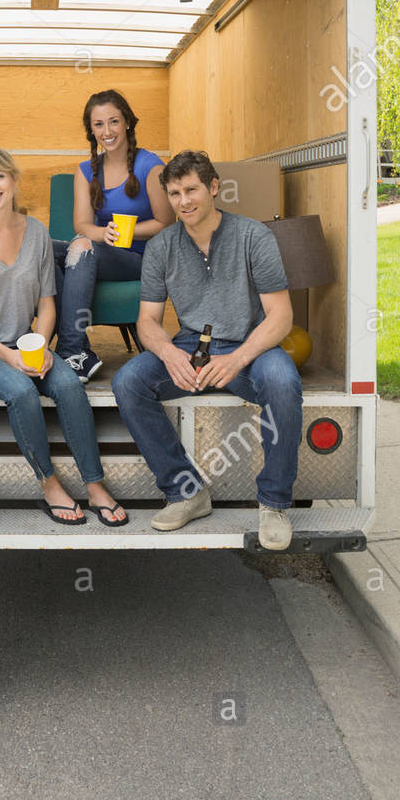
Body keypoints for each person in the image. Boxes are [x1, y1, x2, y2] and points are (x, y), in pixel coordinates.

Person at [111, 150, 301, 551]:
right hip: (189, 345)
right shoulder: (162, 247)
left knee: (283, 381)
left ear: (213, 188)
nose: (184, 201)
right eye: (176, 193)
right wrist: (167, 353)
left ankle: (274, 503)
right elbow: (147, 321)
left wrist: (238, 358)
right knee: (128, 381)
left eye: (192, 189)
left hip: (250, 345)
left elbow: (281, 317)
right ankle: (186, 492)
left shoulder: (253, 236)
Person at [0, 148, 129, 526]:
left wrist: (42, 347)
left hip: (24, 342)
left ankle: (95, 485)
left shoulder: (37, 233)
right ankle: (49, 483)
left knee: (68, 385)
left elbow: (47, 304)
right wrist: (8, 357)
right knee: (22, 392)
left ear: (13, 180)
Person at [54, 89, 174, 382]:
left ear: (127, 123)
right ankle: (80, 350)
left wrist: (124, 232)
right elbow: (82, 224)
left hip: (140, 257)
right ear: (91, 130)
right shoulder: (86, 171)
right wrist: (102, 233)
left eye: (113, 122)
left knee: (84, 248)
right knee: (43, 250)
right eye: (98, 124)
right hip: (102, 249)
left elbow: (167, 222)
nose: (106, 131)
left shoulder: (150, 165)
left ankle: (70, 351)